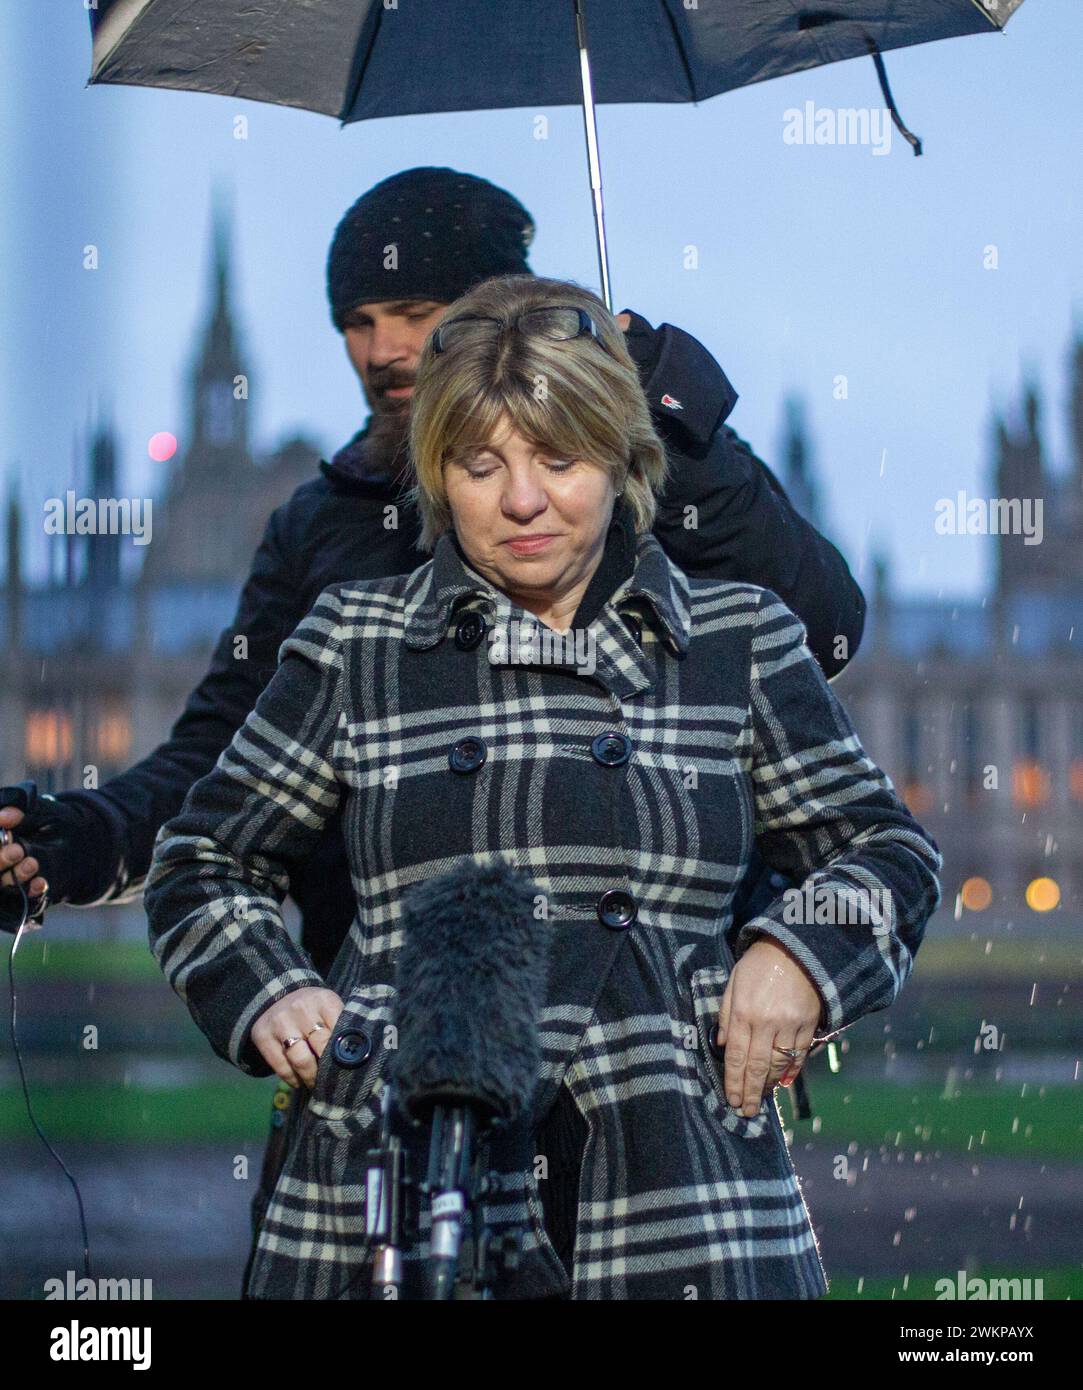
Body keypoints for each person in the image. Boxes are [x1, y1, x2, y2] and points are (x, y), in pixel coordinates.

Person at [0, 167, 865, 1270]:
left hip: (654, 1095)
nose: (379, 349)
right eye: (356, 323)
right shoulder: (325, 537)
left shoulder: (636, 507)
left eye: (411, 316)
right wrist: (86, 844)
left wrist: (695, 441)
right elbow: (214, 776)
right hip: (385, 1078)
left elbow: (825, 634)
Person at [143, 274, 941, 1300]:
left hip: (676, 1182)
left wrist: (798, 955)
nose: (522, 501)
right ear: (438, 475)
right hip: (401, 1169)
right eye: (481, 466)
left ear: (620, 457)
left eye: (558, 459)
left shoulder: (738, 639)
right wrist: (273, 990)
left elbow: (886, 853)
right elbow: (204, 862)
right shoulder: (358, 645)